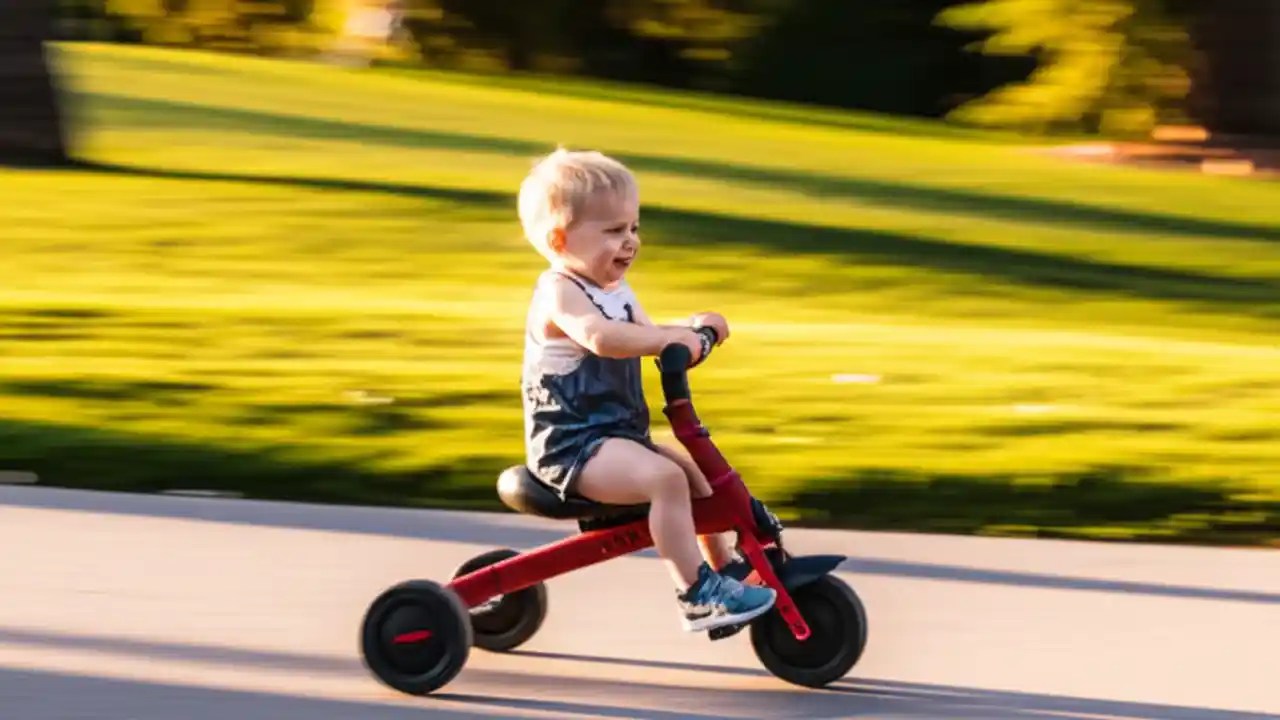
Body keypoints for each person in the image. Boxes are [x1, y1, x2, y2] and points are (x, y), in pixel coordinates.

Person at [517, 147, 776, 632]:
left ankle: (726, 574)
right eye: (613, 230)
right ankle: (698, 595)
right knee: (666, 480)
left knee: (699, 478)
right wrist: (667, 338)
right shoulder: (561, 292)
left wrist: (695, 328)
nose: (630, 241)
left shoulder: (616, 292)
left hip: (616, 440)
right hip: (571, 450)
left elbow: (647, 334)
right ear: (559, 238)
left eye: (633, 227)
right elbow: (601, 337)